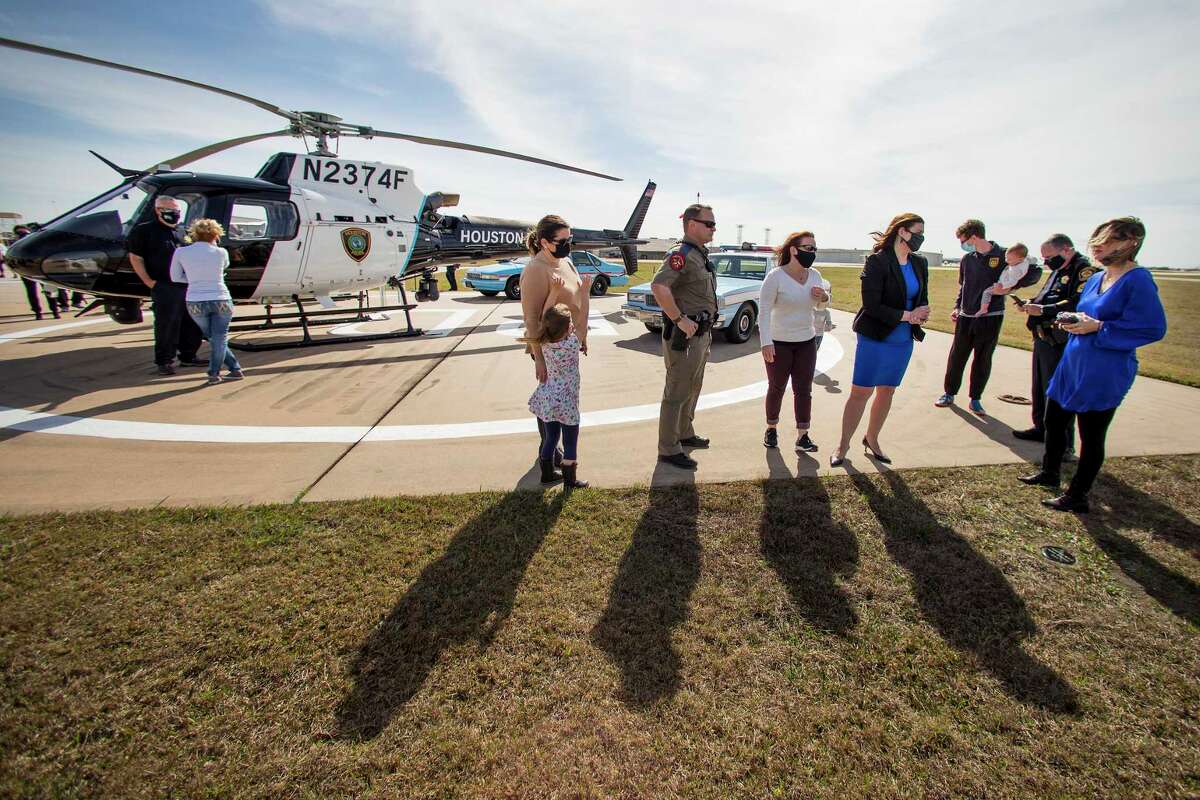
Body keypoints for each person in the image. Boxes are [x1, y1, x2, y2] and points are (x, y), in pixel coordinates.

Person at [1019, 217, 1166, 512]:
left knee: (1091, 433)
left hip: (1104, 367)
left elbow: (1151, 328)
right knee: (1054, 420)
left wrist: (1098, 327)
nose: (1099, 248)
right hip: (1073, 360)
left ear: (1131, 243)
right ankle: (1050, 472)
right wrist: (1071, 321)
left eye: (1108, 242)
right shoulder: (1097, 278)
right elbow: (1082, 312)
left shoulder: (1138, 279)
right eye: (1097, 242)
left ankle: (1078, 495)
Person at [831, 213, 930, 467]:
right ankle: (842, 445)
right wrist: (909, 315)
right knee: (861, 392)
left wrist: (922, 312)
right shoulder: (877, 261)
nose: (921, 237)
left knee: (888, 390)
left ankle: (872, 438)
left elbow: (922, 297)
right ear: (902, 232)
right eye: (917, 231)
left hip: (903, 339)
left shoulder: (920, 263)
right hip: (876, 336)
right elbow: (872, 304)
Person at [519, 215, 593, 476]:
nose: (567, 244)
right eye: (562, 240)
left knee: (557, 398)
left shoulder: (566, 262)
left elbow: (575, 302)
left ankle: (551, 452)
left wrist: (581, 337)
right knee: (549, 400)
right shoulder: (535, 270)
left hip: (568, 341)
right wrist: (539, 358)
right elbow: (531, 319)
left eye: (569, 239)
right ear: (544, 242)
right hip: (548, 348)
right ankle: (551, 453)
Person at [1012, 233, 1095, 457]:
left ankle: (1065, 444)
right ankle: (1042, 428)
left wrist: (1044, 310)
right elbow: (1046, 296)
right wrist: (1031, 304)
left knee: (1059, 390)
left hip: (1060, 338)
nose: (1046, 262)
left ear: (1066, 250)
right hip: (1042, 336)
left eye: (1049, 257)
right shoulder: (1058, 271)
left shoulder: (1084, 271)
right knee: (1040, 387)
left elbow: (1078, 303)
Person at [652, 204, 719, 470]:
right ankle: (668, 448)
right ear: (692, 224)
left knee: (693, 386)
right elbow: (659, 286)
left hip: (701, 335)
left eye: (714, 224)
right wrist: (680, 319)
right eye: (709, 224)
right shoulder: (681, 254)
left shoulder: (699, 254)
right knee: (677, 390)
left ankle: (684, 433)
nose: (713, 228)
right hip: (685, 338)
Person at [759, 230, 830, 452]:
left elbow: (821, 306)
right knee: (777, 387)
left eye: (815, 249)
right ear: (793, 250)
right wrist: (765, 342)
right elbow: (763, 311)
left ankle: (803, 436)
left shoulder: (815, 275)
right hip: (779, 343)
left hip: (806, 342)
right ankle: (771, 428)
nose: (812, 253)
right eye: (808, 248)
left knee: (803, 389)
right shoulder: (776, 277)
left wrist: (824, 297)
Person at [935, 218, 1006, 416]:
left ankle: (976, 398)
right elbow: (963, 286)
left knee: (983, 359)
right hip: (966, 316)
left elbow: (1029, 271)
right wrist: (957, 306)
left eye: (963, 240)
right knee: (957, 356)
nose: (962, 245)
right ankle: (949, 393)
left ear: (974, 237)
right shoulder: (967, 260)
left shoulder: (1004, 256)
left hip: (991, 316)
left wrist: (1010, 288)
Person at [127, 196, 204, 376]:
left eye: (177, 211)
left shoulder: (182, 231)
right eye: (169, 211)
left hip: (188, 285)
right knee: (167, 324)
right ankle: (164, 360)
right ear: (157, 210)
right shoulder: (144, 231)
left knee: (192, 322)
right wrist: (148, 281)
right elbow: (136, 258)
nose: (174, 215)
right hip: (165, 285)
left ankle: (188, 355)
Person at [169, 219, 244, 385]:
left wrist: (194, 279)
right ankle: (216, 372)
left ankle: (234, 369)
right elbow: (225, 267)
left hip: (195, 299)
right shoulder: (221, 252)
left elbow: (175, 277)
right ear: (216, 234)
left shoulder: (181, 252)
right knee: (219, 337)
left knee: (213, 337)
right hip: (220, 297)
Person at [524, 303, 588, 488]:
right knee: (569, 441)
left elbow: (542, 318)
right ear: (568, 327)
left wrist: (554, 293)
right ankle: (570, 481)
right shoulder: (572, 343)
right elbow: (583, 318)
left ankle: (547, 474)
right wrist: (584, 293)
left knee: (551, 438)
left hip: (547, 398)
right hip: (567, 403)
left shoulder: (543, 342)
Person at [966, 242, 1030, 318]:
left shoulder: (1016, 271)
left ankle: (983, 309)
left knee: (986, 292)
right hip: (1003, 283)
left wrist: (1002, 286)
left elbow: (1013, 282)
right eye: (1006, 258)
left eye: (1009, 259)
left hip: (1003, 285)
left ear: (1020, 259)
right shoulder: (1023, 262)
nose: (1006, 261)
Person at [12, 226, 45, 320]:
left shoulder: (17, 244)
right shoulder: (37, 240)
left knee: (32, 291)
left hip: (28, 269)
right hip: (40, 269)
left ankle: (38, 312)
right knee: (48, 289)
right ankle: (54, 311)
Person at [813, 278, 833, 352]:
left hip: (815, 334)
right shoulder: (826, 312)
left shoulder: (812, 310)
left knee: (813, 352)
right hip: (816, 334)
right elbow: (829, 326)